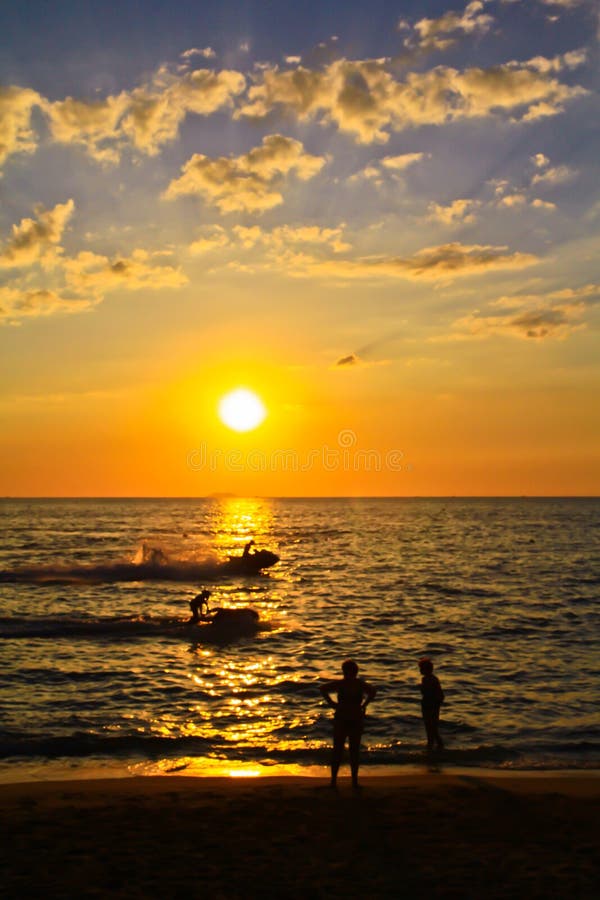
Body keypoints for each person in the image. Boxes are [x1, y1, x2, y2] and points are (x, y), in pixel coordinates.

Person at [320, 659, 377, 789]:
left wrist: (332, 704)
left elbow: (323, 689)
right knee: (353, 751)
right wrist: (364, 705)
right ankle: (354, 782)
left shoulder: (341, 684)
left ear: (344, 671)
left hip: (342, 718)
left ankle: (334, 781)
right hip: (354, 718)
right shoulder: (359, 684)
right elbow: (373, 692)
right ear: (356, 672)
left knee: (338, 750)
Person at [418, 657, 445, 751]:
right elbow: (441, 695)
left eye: (421, 669)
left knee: (430, 727)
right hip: (431, 704)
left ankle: (432, 745)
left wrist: (422, 688)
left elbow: (426, 692)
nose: (420, 671)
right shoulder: (433, 679)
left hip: (430, 705)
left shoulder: (428, 680)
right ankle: (435, 745)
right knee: (432, 727)